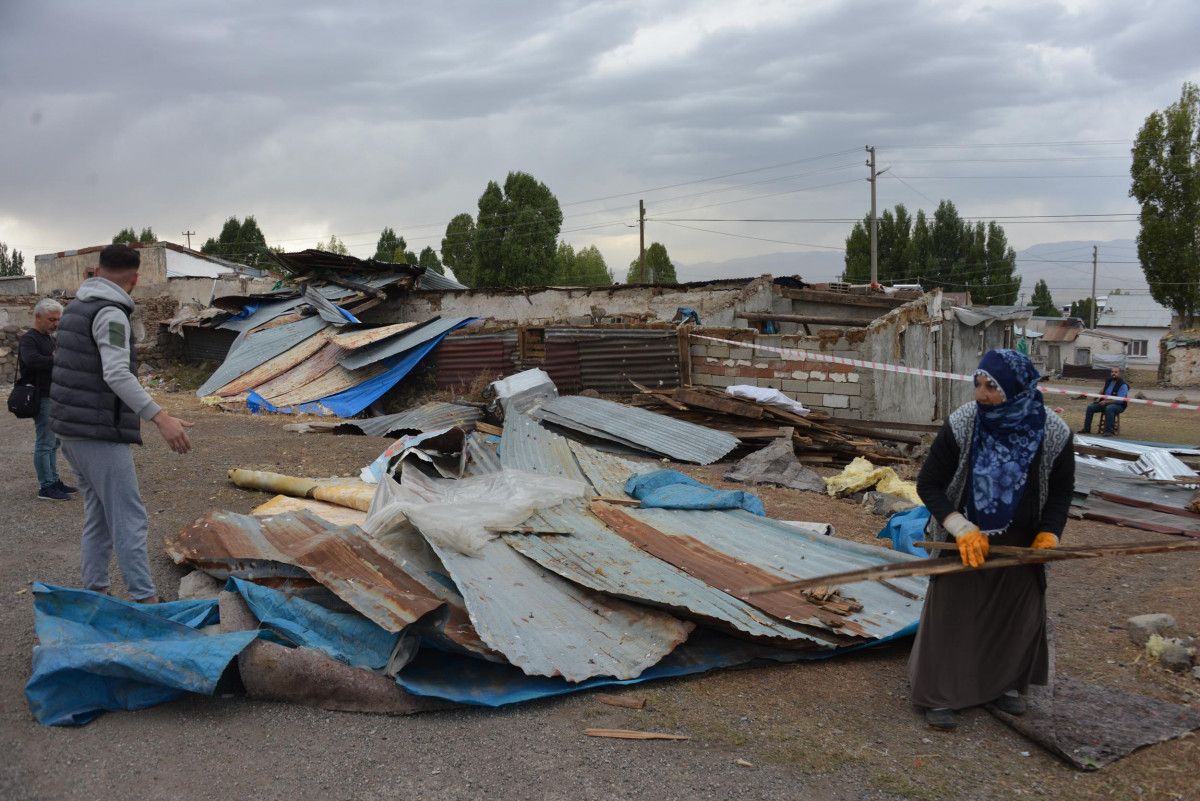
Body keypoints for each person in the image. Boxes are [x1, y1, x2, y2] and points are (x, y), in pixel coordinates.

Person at [909, 348, 1074, 731]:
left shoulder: (1054, 432)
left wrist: (1049, 533)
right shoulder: (965, 423)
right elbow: (929, 484)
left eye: (992, 387)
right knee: (953, 613)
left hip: (1022, 539)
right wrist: (959, 526)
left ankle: (1004, 686)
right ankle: (940, 694)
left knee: (1013, 615)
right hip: (965, 536)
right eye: (978, 384)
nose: (981, 395)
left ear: (1019, 388)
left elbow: (1062, 492)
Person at [49, 244, 194, 603]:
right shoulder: (110, 314)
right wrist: (161, 418)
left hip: (71, 428)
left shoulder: (76, 307)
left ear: (97, 270)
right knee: (130, 517)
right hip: (97, 432)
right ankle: (145, 599)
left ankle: (95, 590)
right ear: (134, 279)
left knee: (98, 516)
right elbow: (116, 373)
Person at [18, 298, 77, 500]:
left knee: (54, 443)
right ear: (38, 316)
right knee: (45, 442)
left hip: (55, 395)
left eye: (58, 319)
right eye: (51, 319)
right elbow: (32, 360)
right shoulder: (29, 339)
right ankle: (46, 486)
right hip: (42, 397)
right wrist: (56, 359)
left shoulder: (48, 338)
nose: (55, 323)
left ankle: (54, 480)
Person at [1081, 366, 1129, 435]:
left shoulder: (1123, 385)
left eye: (1116, 372)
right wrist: (1096, 397)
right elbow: (1103, 390)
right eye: (1112, 372)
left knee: (1109, 408)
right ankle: (1086, 429)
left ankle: (1109, 431)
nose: (1113, 374)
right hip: (1105, 403)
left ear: (1120, 373)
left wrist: (1106, 402)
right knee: (1090, 407)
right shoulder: (1108, 381)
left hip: (1119, 405)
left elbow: (1120, 400)